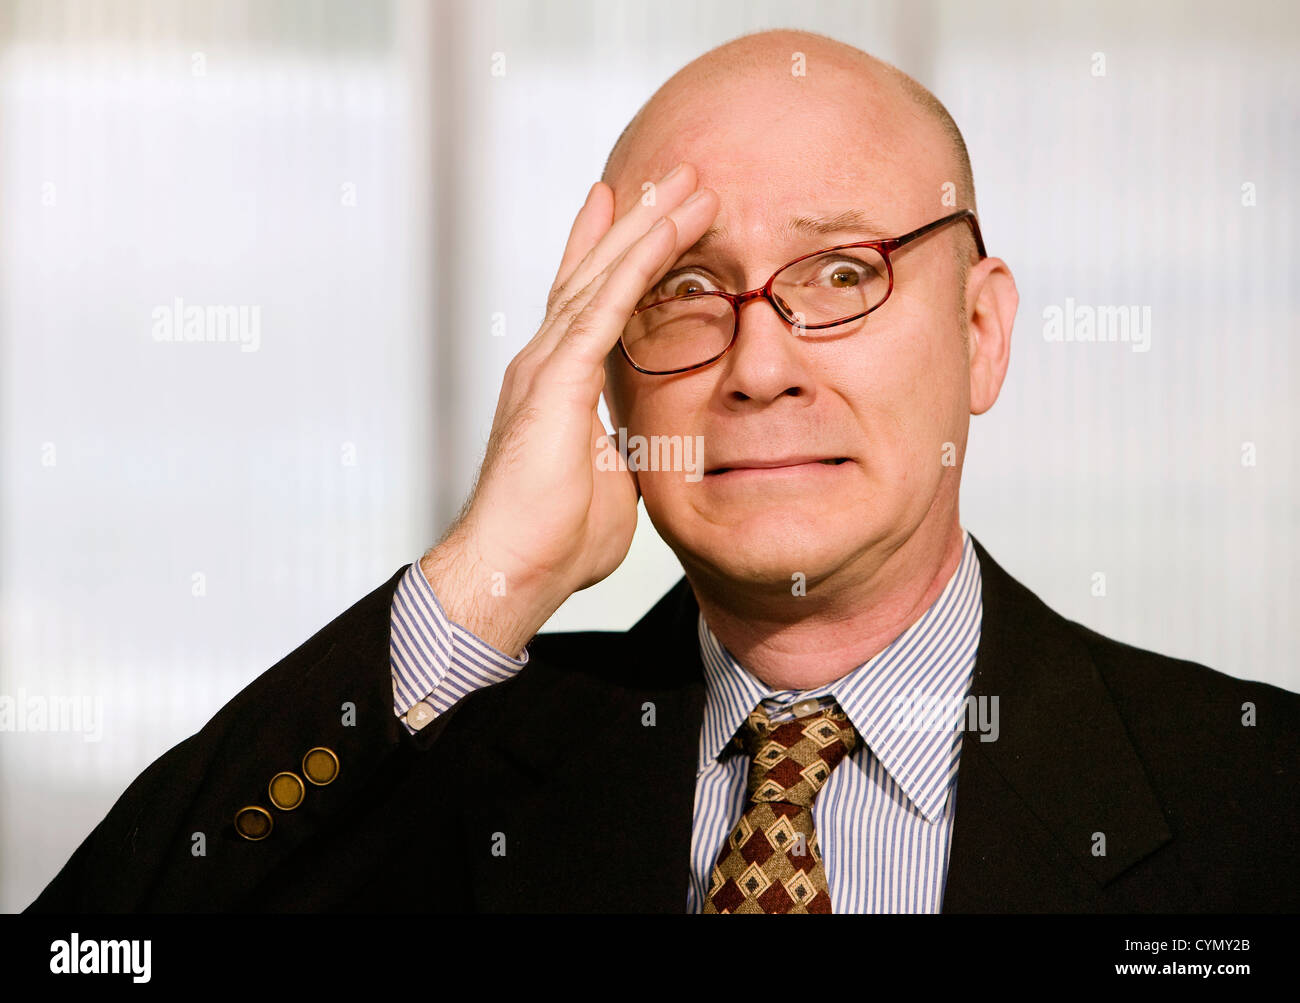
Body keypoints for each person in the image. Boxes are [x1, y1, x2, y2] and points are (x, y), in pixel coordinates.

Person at [26, 28, 1299, 914]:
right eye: (683, 291)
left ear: (980, 333)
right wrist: (478, 583)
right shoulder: (448, 775)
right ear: (609, 371)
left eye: (841, 274)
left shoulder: (1255, 793)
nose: (757, 366)